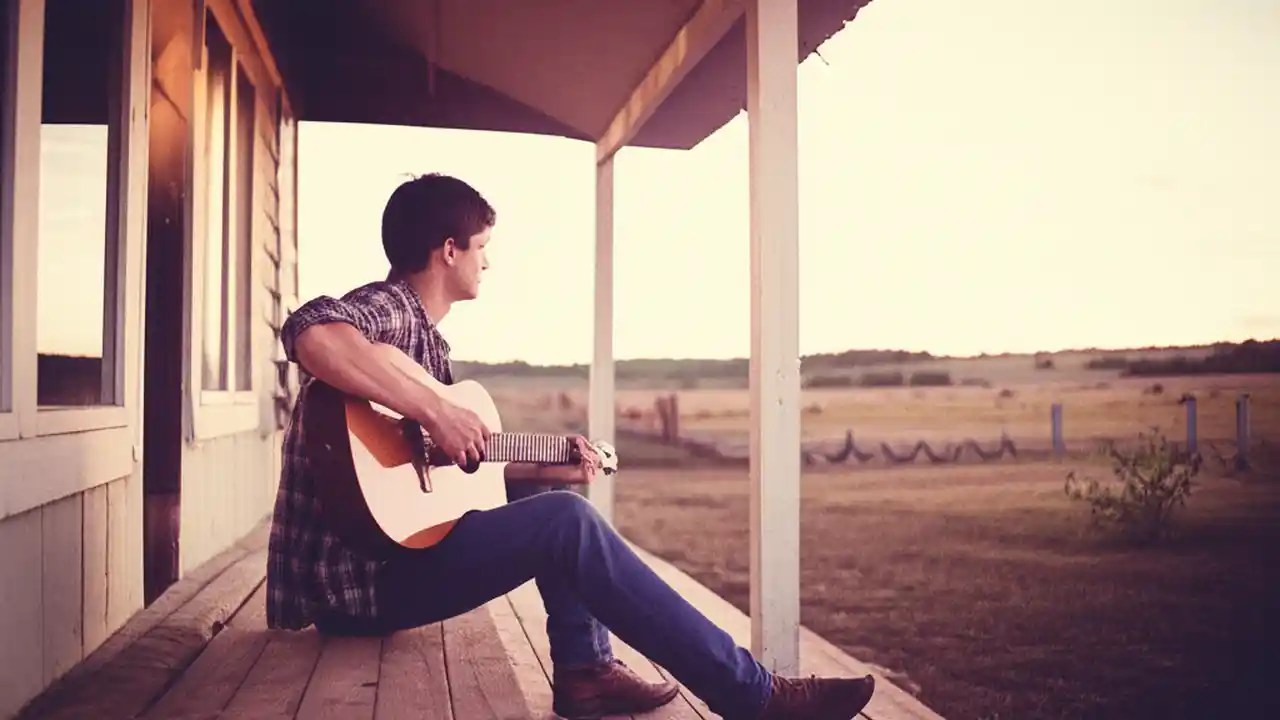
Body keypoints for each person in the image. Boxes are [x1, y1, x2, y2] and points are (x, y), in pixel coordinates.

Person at [266, 173, 876, 720]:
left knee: (549, 494)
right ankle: (753, 696)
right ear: (448, 251)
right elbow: (310, 331)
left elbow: (430, 483)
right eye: (482, 248)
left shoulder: (426, 346)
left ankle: (585, 671)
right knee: (567, 522)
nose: (487, 263)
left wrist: (533, 463)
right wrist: (435, 408)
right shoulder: (391, 309)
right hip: (360, 586)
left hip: (376, 569)